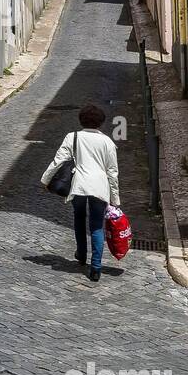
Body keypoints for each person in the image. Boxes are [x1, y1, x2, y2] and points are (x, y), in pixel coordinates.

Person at [41, 103, 121, 281]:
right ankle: (96, 267)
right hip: (99, 188)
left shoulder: (73, 137)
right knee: (96, 226)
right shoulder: (107, 142)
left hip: (79, 185)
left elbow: (58, 160)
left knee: (78, 218)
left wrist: (46, 180)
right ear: (100, 122)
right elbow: (112, 172)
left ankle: (82, 254)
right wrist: (115, 199)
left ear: (81, 120)